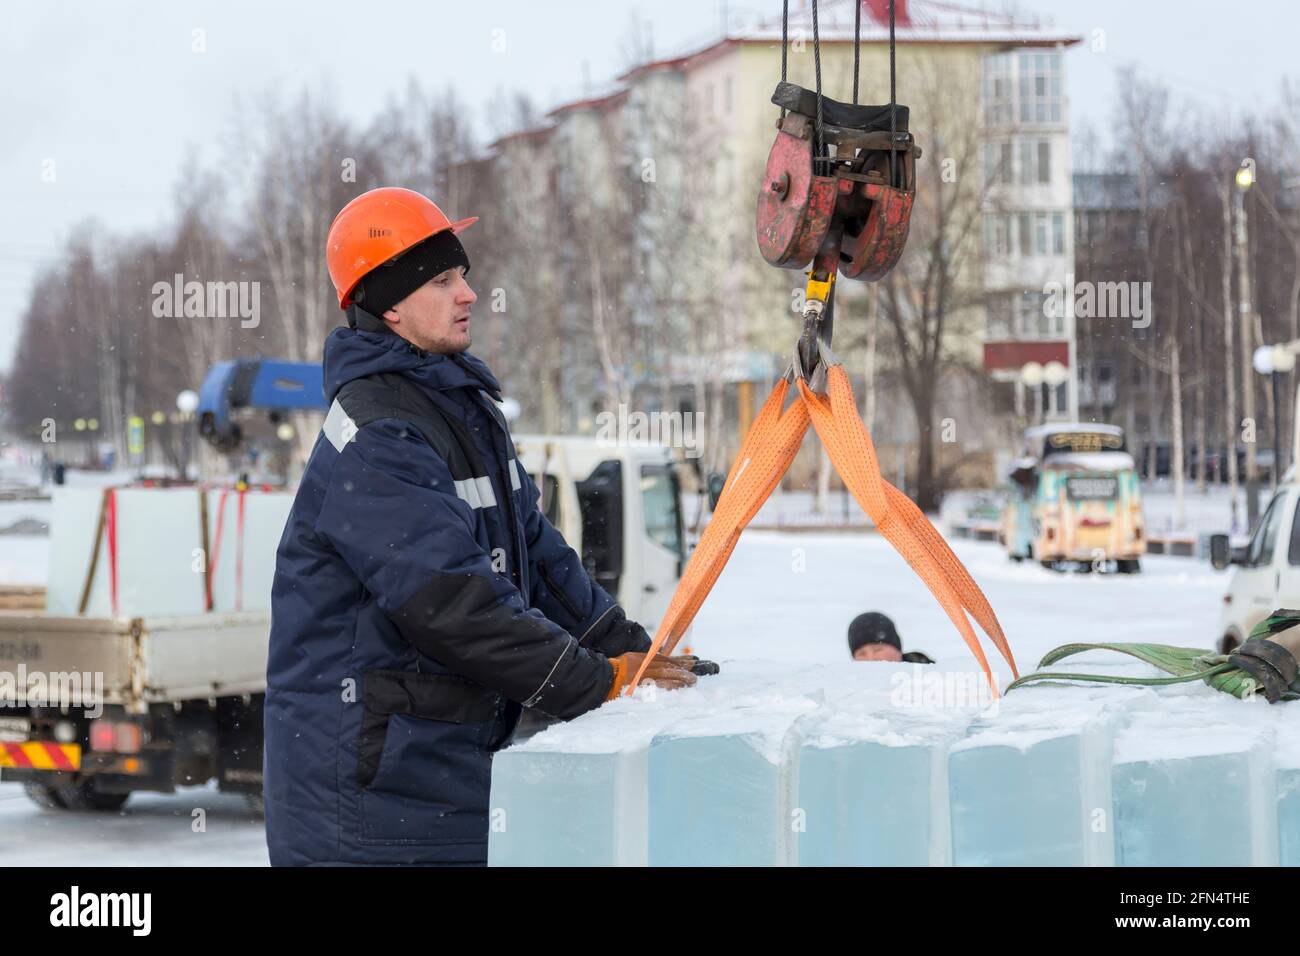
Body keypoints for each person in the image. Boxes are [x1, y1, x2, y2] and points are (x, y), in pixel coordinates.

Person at [264, 187, 698, 866]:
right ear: (391, 305)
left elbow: (537, 554)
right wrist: (595, 683)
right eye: (443, 280)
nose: (469, 294)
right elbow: (454, 603)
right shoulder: (379, 430)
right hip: (370, 803)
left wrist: (636, 655)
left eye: (462, 274)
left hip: (432, 776)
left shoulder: (458, 409)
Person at [847, 611, 934, 664]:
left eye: (877, 650)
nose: (871, 659)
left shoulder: (933, 678)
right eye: (861, 654)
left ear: (897, 649)